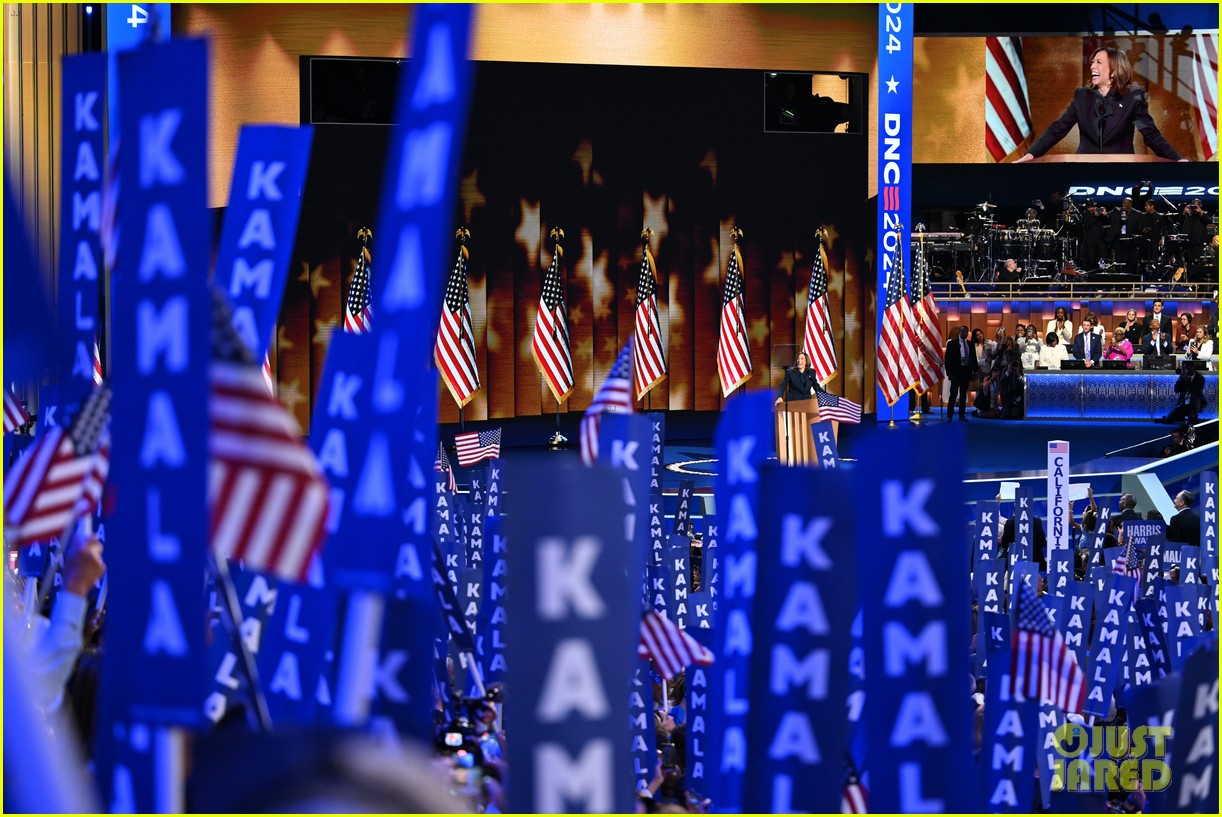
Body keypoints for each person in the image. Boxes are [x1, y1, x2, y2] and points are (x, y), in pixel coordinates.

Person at [1015, 46, 1185, 161]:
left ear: (1114, 69)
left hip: (1120, 171)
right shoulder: (1082, 97)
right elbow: (1058, 128)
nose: (1092, 67)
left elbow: (1151, 134)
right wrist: (1031, 154)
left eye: (1098, 62)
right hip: (1085, 170)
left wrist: (1177, 159)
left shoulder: (1132, 98)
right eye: (1092, 62)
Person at [944, 325, 978, 421]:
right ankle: (949, 415)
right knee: (953, 394)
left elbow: (973, 359)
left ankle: (961, 415)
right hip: (955, 373)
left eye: (966, 332)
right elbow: (948, 360)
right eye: (963, 331)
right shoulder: (952, 344)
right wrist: (949, 373)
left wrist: (975, 371)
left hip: (966, 372)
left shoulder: (970, 344)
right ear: (960, 332)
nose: (965, 333)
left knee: (963, 394)